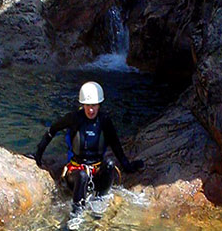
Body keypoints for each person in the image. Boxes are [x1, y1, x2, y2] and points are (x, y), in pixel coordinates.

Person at [35, 79, 144, 220]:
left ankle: (100, 199)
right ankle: (76, 214)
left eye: (94, 106)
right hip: (76, 173)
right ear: (83, 104)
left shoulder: (104, 121)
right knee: (82, 176)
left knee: (110, 164)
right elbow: (52, 130)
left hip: (96, 170)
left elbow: (116, 146)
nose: (91, 110)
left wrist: (128, 166)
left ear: (99, 105)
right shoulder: (74, 118)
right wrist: (38, 156)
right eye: (88, 106)